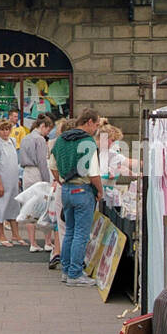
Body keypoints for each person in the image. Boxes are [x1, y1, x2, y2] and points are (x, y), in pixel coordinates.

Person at [51, 109, 104, 287]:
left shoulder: (61, 140)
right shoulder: (87, 141)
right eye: (96, 125)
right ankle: (75, 273)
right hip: (82, 190)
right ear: (89, 122)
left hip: (66, 189)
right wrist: (100, 190)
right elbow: (93, 172)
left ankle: (66, 271)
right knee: (81, 234)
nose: (96, 129)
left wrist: (61, 180)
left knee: (69, 232)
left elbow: (53, 166)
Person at [17, 115, 56, 255]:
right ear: (43, 126)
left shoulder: (26, 137)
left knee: (29, 207)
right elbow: (42, 162)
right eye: (48, 129)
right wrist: (48, 181)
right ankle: (47, 242)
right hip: (38, 173)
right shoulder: (39, 140)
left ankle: (32, 243)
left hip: (27, 172)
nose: (48, 133)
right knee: (46, 207)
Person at [0, 119, 23, 246]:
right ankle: (1, 236)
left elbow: (14, 163)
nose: (5, 132)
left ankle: (15, 235)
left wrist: (17, 178)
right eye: (2, 130)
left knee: (14, 207)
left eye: (7, 129)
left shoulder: (12, 142)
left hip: (12, 181)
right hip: (0, 181)